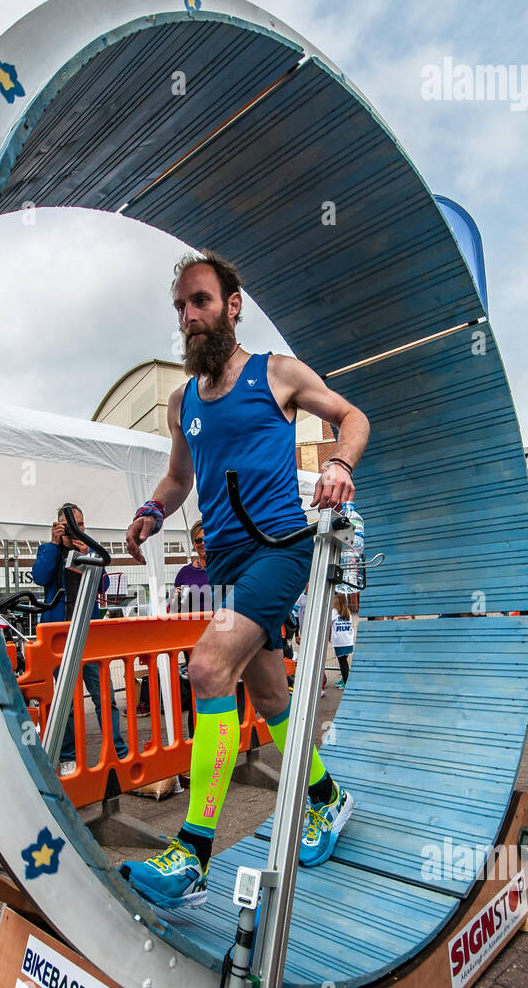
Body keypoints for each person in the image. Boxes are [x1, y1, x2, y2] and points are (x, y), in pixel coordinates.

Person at [120, 249, 370, 913]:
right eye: (180, 306)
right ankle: (327, 799)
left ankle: (191, 854)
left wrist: (339, 464)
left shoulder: (276, 373)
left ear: (232, 306)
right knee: (269, 697)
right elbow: (179, 479)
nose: (189, 316)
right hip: (226, 562)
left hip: (278, 550)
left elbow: (352, 417)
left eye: (200, 300)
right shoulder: (182, 402)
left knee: (207, 668)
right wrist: (152, 510)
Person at [31, 503, 126, 774]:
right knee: (66, 702)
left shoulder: (91, 551)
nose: (77, 529)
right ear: (59, 527)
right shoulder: (49, 550)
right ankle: (67, 756)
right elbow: (40, 577)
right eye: (72, 525)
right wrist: (54, 545)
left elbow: (104, 586)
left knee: (105, 696)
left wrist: (88, 555)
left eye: (81, 524)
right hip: (60, 639)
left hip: (88, 636)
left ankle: (117, 751)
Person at [330, 592, 354, 687]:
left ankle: (346, 681)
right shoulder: (348, 612)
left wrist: (329, 636)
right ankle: (344, 678)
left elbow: (329, 624)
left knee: (342, 662)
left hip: (339, 641)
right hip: (348, 640)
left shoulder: (333, 612)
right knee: (344, 660)